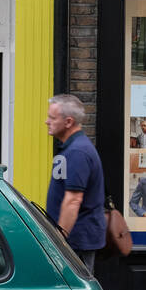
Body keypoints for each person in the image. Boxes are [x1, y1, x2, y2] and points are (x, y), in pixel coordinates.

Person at [44, 94, 107, 272]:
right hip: (74, 240)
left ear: (68, 122)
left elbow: (73, 200)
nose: (46, 121)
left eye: (52, 117)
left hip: (75, 242)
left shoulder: (78, 152)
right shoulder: (72, 148)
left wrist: (59, 241)